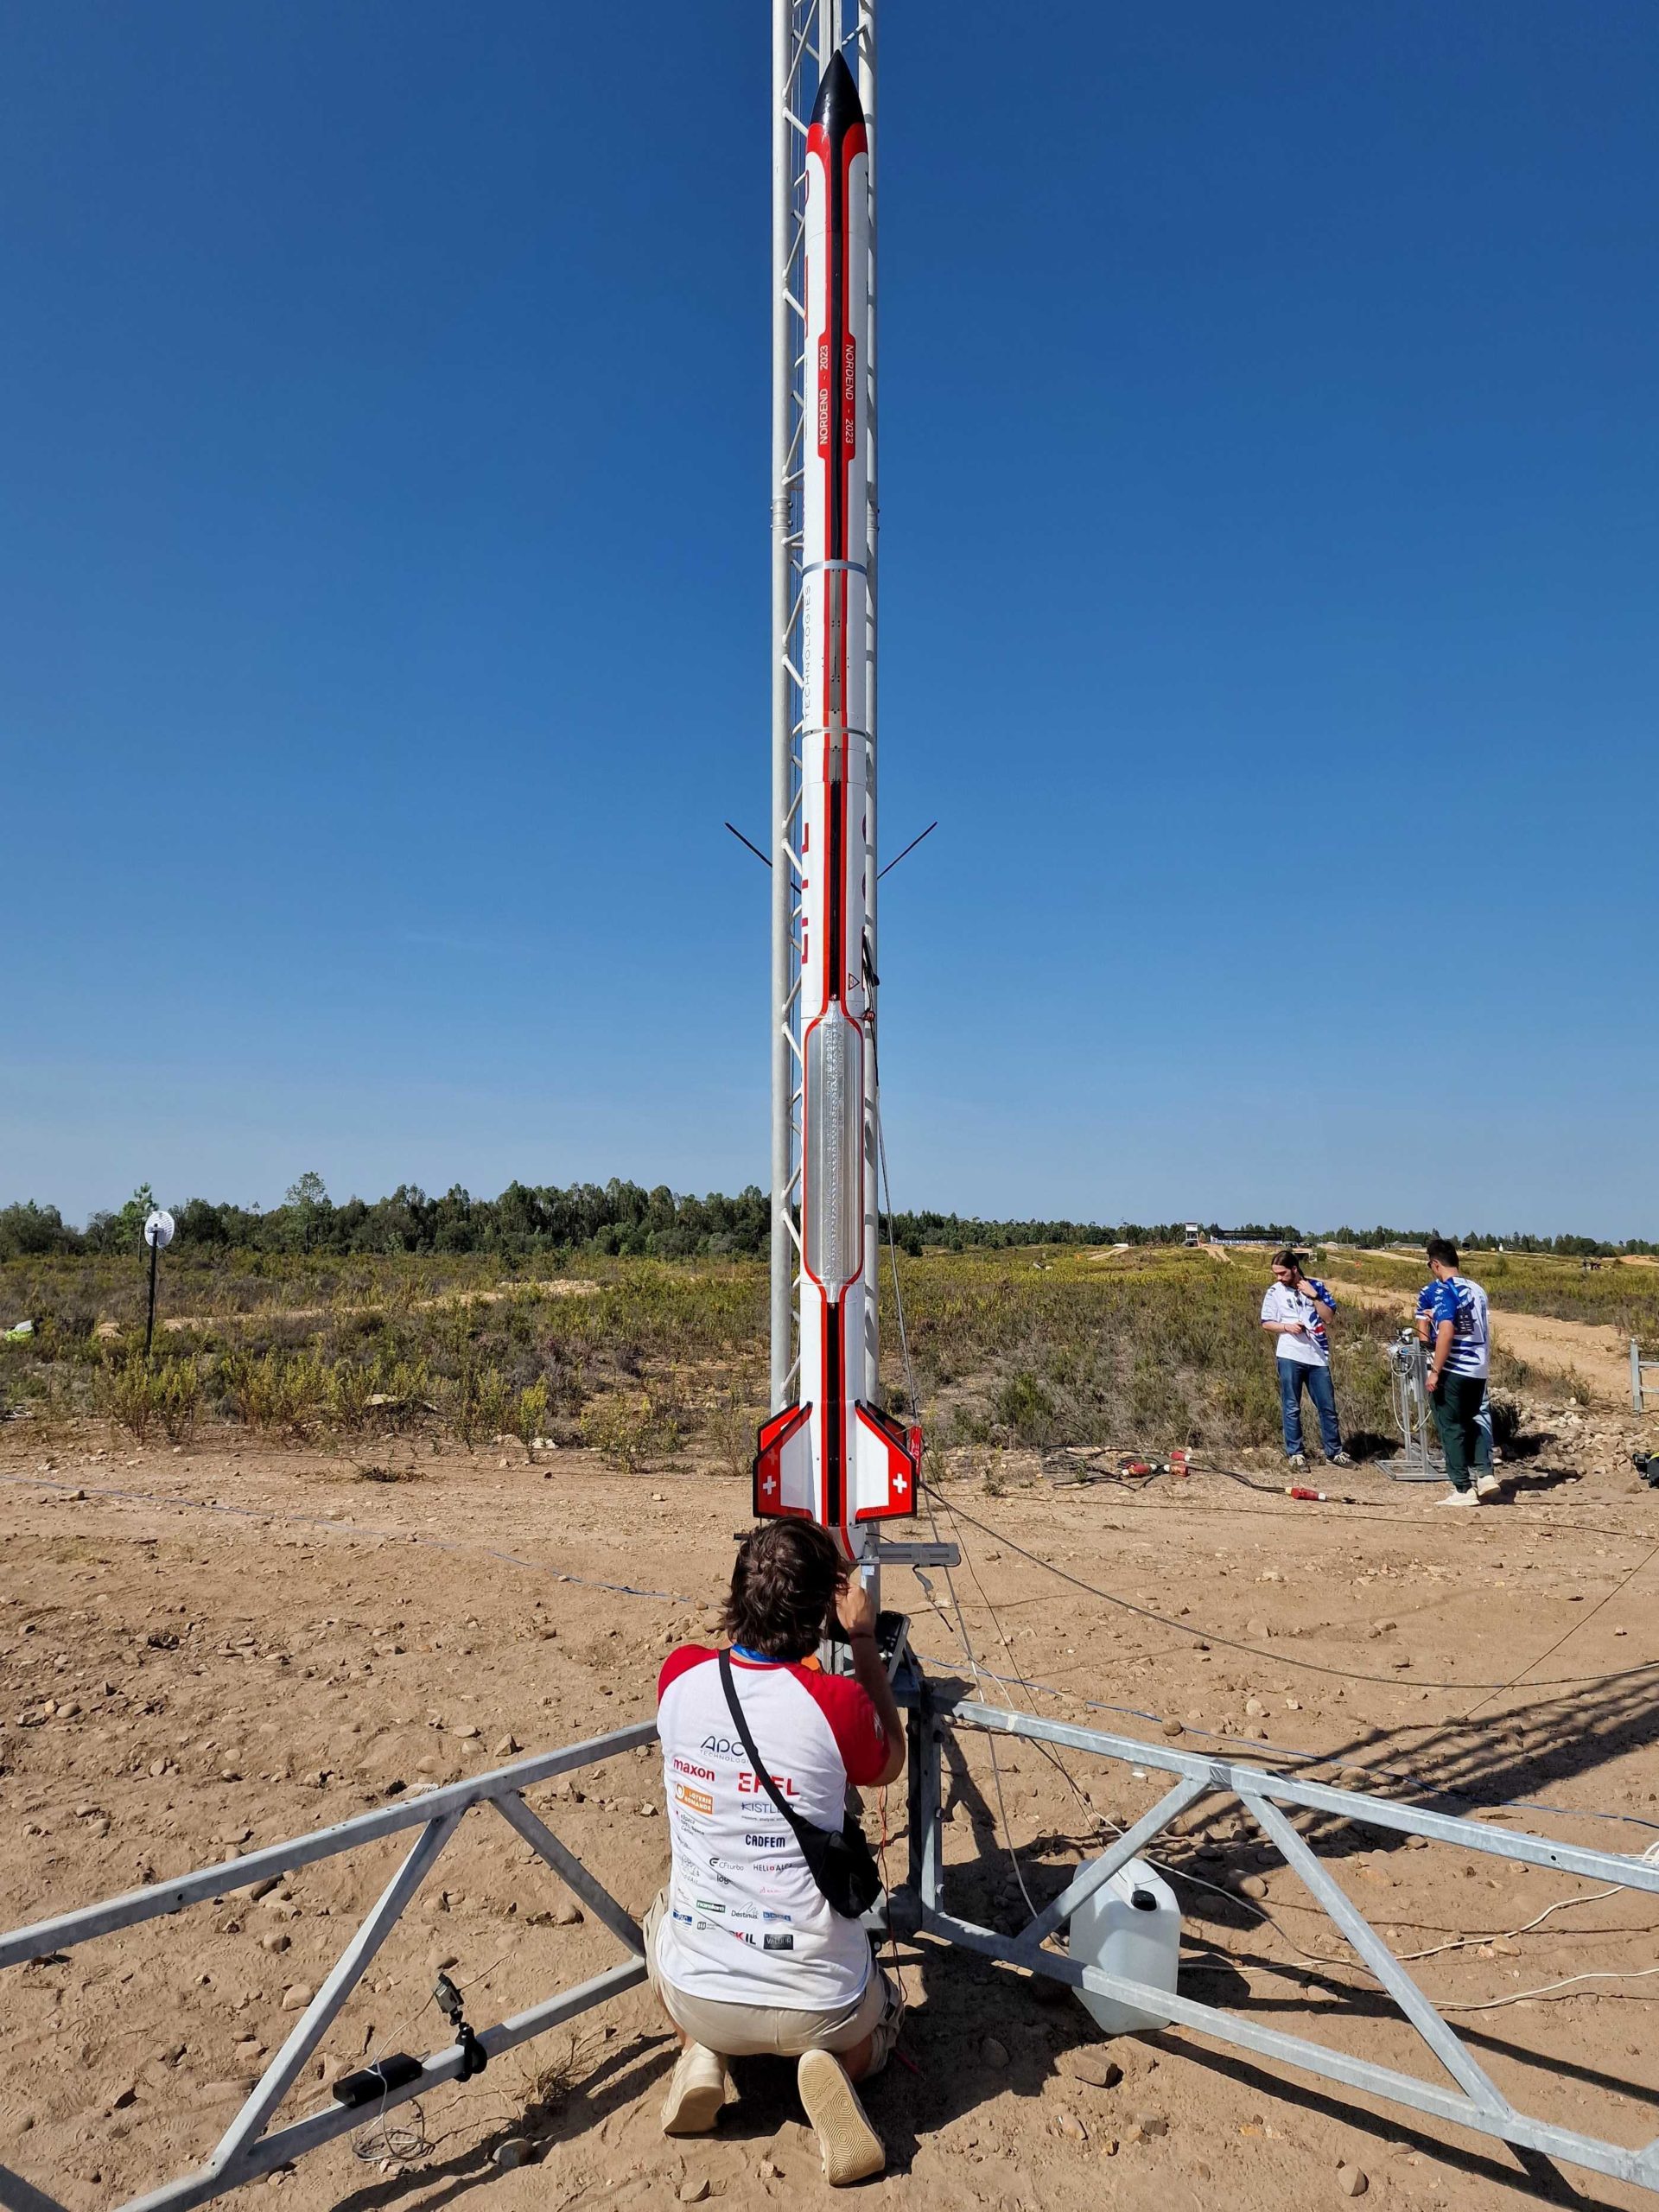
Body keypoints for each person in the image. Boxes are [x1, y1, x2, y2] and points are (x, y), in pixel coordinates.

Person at [649, 1521, 906, 2185]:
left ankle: (701, 2052)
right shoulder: (836, 1702)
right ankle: (838, 2068)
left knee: (663, 1912)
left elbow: (723, 1672)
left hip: (701, 1990)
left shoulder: (679, 1675)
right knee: (881, 2014)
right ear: (825, 1604)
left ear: (738, 1595)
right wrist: (862, 1639)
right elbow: (890, 1762)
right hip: (821, 1998)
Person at [1260, 1249, 1355, 1471]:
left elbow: (1329, 1317)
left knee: (1327, 1406)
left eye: (1282, 1273)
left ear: (1294, 1269)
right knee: (1291, 1406)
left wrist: (1314, 1296)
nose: (1279, 1278)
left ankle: (1334, 1451)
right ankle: (1296, 1454)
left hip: (1317, 1357)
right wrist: (1286, 1327)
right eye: (1275, 1273)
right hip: (1289, 1355)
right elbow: (1266, 1322)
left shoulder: (1317, 1287)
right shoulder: (1274, 1292)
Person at [1419, 1237, 1492, 1507]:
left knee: (1450, 1426)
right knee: (1472, 1421)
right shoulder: (1477, 1290)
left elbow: (1447, 1330)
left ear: (1436, 1265)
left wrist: (1435, 1370)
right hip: (1479, 1368)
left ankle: (1462, 1488)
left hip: (1455, 1368)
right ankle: (1484, 1474)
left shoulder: (1443, 1291)